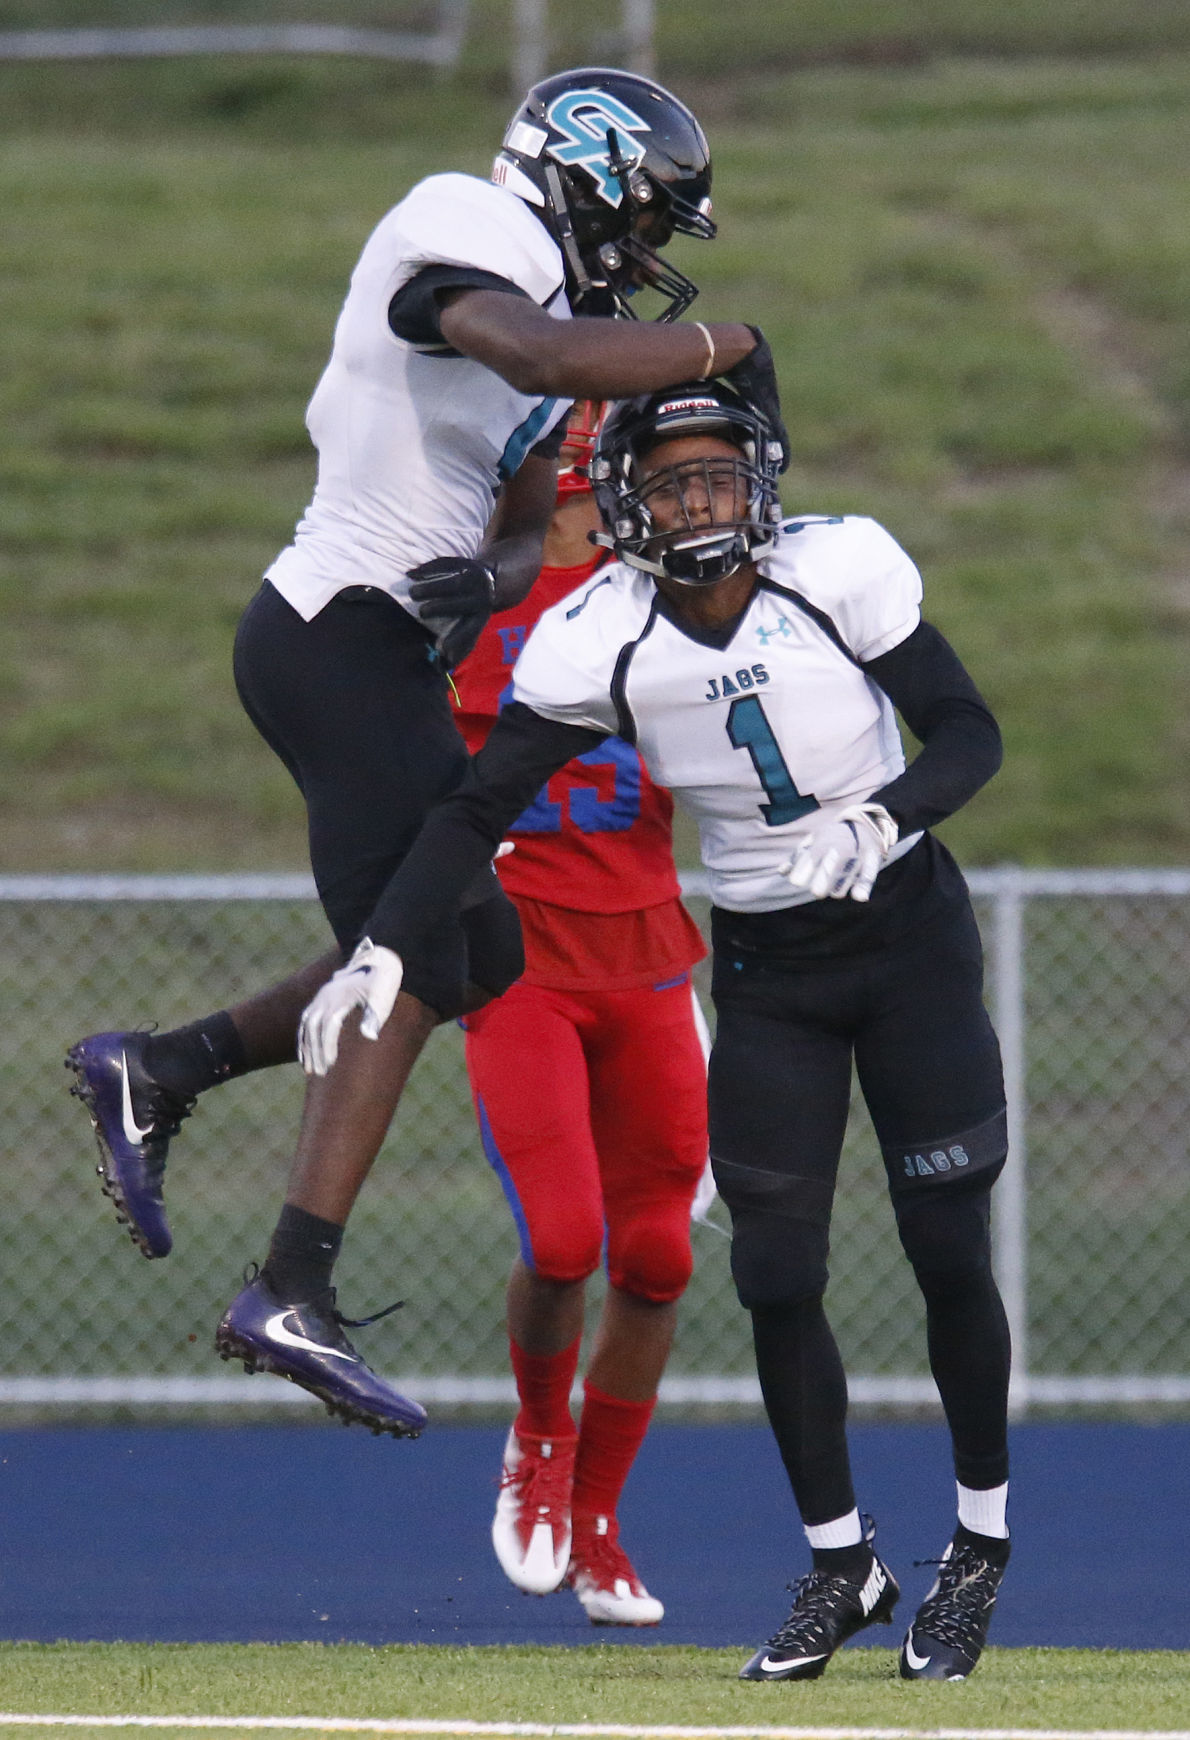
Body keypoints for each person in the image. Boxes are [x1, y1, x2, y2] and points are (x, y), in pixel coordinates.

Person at [66, 67, 782, 1441]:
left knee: (469, 954)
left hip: (386, 642)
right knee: (418, 957)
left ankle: (161, 1072)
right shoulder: (466, 220)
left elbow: (520, 509)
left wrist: (493, 574)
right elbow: (526, 357)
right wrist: (725, 348)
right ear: (589, 173)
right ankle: (287, 1283)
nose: (642, 259)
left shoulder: (551, 306)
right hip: (328, 632)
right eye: (645, 219)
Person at [326, 378, 1014, 1682]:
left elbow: (969, 731)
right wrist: (384, 947)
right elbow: (475, 810)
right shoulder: (594, 636)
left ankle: (975, 1548)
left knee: (945, 1250)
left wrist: (889, 814)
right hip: (767, 968)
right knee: (770, 1274)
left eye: (716, 478)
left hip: (907, 936)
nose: (697, 504)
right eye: (670, 483)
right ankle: (841, 1564)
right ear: (625, 507)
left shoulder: (839, 566)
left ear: (757, 484)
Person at [453, 401, 709, 1626]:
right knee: (563, 1239)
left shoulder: (658, 598)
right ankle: (538, 1442)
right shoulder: (455, 606)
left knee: (657, 1254)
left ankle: (600, 1520)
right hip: (518, 957)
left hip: (648, 949)